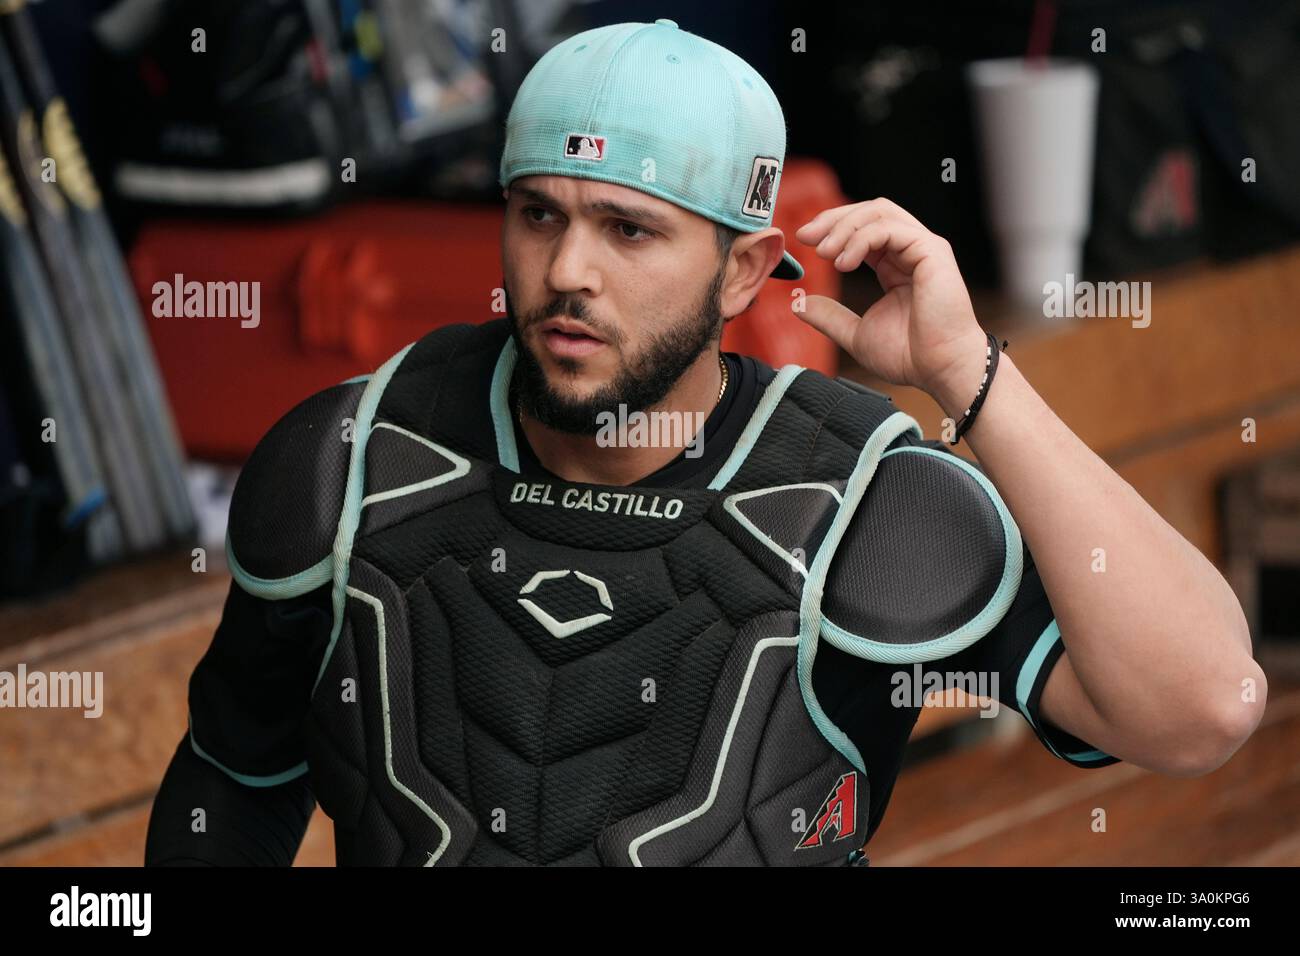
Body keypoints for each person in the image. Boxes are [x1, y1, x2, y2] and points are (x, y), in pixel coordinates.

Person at [145, 19, 1265, 867]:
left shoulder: (858, 499)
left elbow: (1201, 707)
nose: (569, 270)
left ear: (742, 270)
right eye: (540, 212)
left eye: (629, 227)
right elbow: (233, 780)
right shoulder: (353, 457)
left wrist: (969, 377)